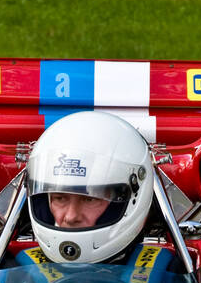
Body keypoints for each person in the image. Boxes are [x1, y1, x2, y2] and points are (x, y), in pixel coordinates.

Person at [24, 111, 156, 264]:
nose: (71, 217)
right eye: (59, 198)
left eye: (89, 199)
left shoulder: (171, 271)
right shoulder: (11, 267)